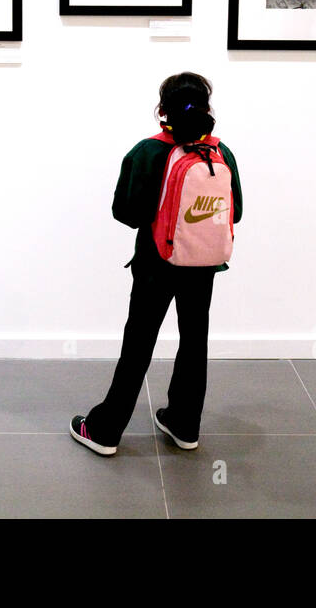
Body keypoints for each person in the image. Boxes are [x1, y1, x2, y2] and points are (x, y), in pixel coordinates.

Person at [71, 72, 243, 456]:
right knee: (194, 342)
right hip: (204, 264)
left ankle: (105, 430)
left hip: (156, 263)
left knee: (139, 343)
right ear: (207, 108)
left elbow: (126, 213)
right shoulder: (220, 152)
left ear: (161, 110)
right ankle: (185, 424)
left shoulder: (148, 151)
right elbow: (238, 211)